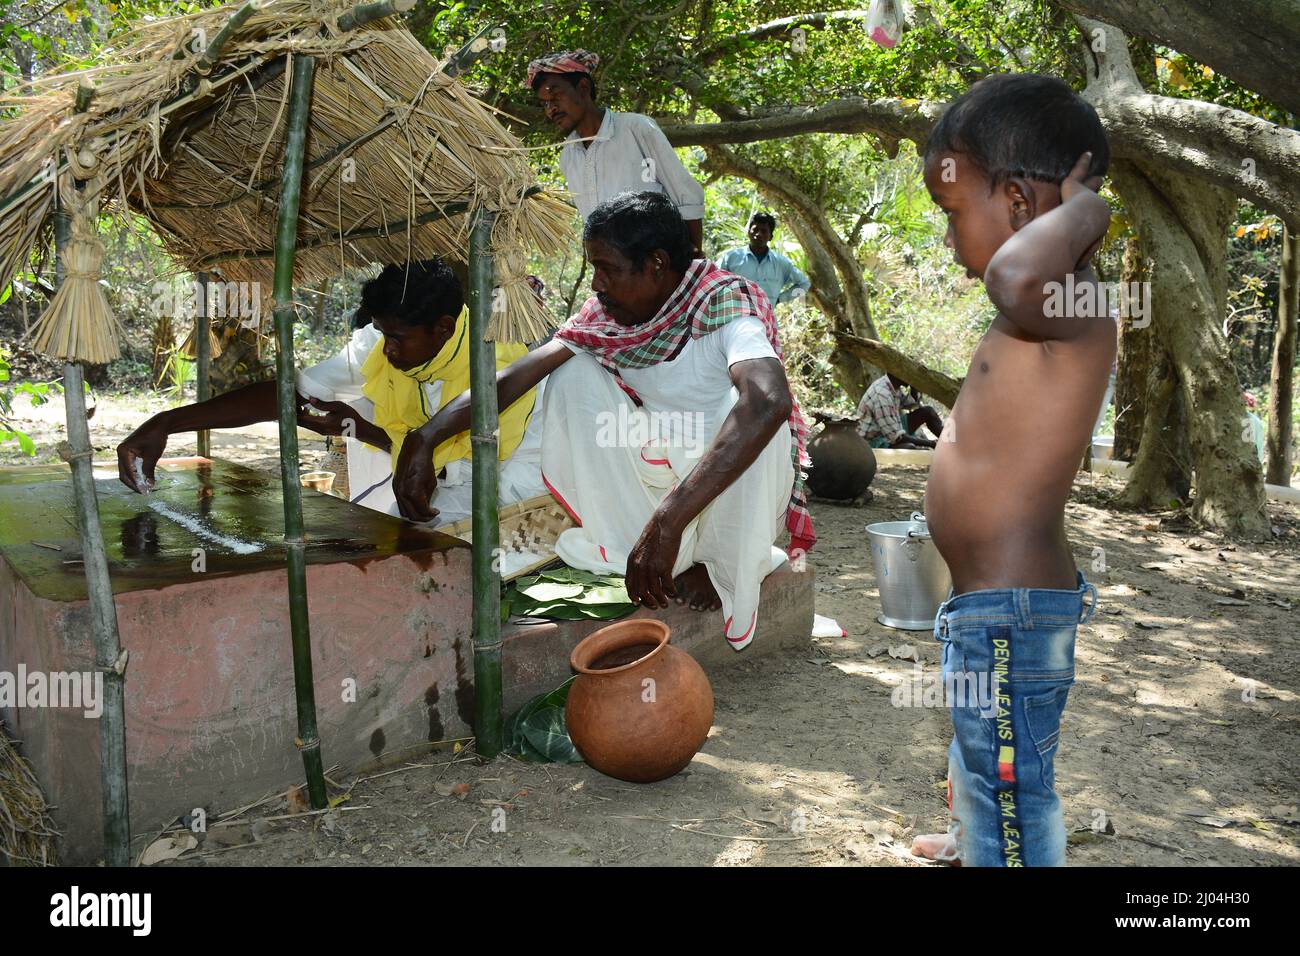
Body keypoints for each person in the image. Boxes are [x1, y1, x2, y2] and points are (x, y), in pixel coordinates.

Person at [391, 191, 814, 651]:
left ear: (656, 264)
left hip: (723, 484)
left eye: (607, 269)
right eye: (594, 268)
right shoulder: (604, 314)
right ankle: (636, 544)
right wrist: (426, 436)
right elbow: (513, 378)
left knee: (760, 422)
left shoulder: (722, 301)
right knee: (571, 373)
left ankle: (721, 564)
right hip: (657, 472)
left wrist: (669, 520)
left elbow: (769, 400)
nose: (596, 284)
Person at [909, 74, 1114, 866]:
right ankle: (974, 839)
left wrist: (1086, 209)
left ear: (1022, 203)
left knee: (1012, 783)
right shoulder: (1042, 310)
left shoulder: (1069, 303)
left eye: (951, 212)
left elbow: (1015, 275)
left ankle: (1003, 848)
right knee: (984, 748)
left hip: (1011, 614)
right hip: (991, 608)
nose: (947, 238)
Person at [117, 259, 546, 525]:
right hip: (437, 486)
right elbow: (292, 394)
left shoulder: (497, 357)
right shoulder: (383, 343)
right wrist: (167, 422)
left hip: (511, 492)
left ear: (444, 328)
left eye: (398, 339)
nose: (388, 349)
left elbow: (456, 469)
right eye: (383, 335)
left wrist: (368, 432)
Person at [527, 50, 706, 257]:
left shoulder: (636, 129)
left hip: (658, 263)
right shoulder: (568, 156)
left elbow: (686, 196)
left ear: (583, 88)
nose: (550, 109)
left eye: (555, 96)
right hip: (617, 270)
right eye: (545, 104)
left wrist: (691, 261)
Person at [716, 212, 810, 310]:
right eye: (755, 230)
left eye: (764, 231)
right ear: (749, 232)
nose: (758, 234)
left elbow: (804, 284)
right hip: (735, 316)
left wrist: (779, 299)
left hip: (766, 317)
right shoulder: (731, 258)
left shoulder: (781, 263)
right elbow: (713, 279)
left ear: (771, 237)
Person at [856, 372, 945, 449]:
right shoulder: (882, 395)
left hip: (887, 430)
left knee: (928, 412)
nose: (911, 377)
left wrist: (914, 391)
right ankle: (942, 446)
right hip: (874, 442)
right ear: (898, 374)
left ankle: (948, 443)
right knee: (910, 447)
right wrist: (931, 443)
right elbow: (896, 437)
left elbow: (907, 403)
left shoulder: (892, 385)